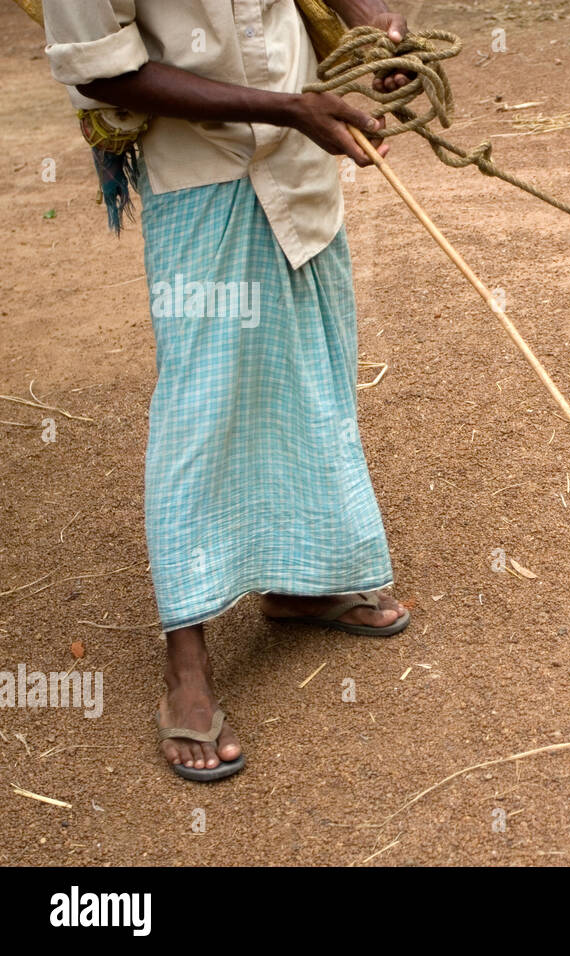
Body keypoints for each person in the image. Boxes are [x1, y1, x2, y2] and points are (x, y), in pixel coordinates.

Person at [43, 0, 414, 781]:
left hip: (299, 153)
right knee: (202, 408)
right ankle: (187, 667)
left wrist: (367, 22)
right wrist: (290, 107)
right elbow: (109, 70)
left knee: (310, 361)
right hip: (204, 173)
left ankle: (299, 584)